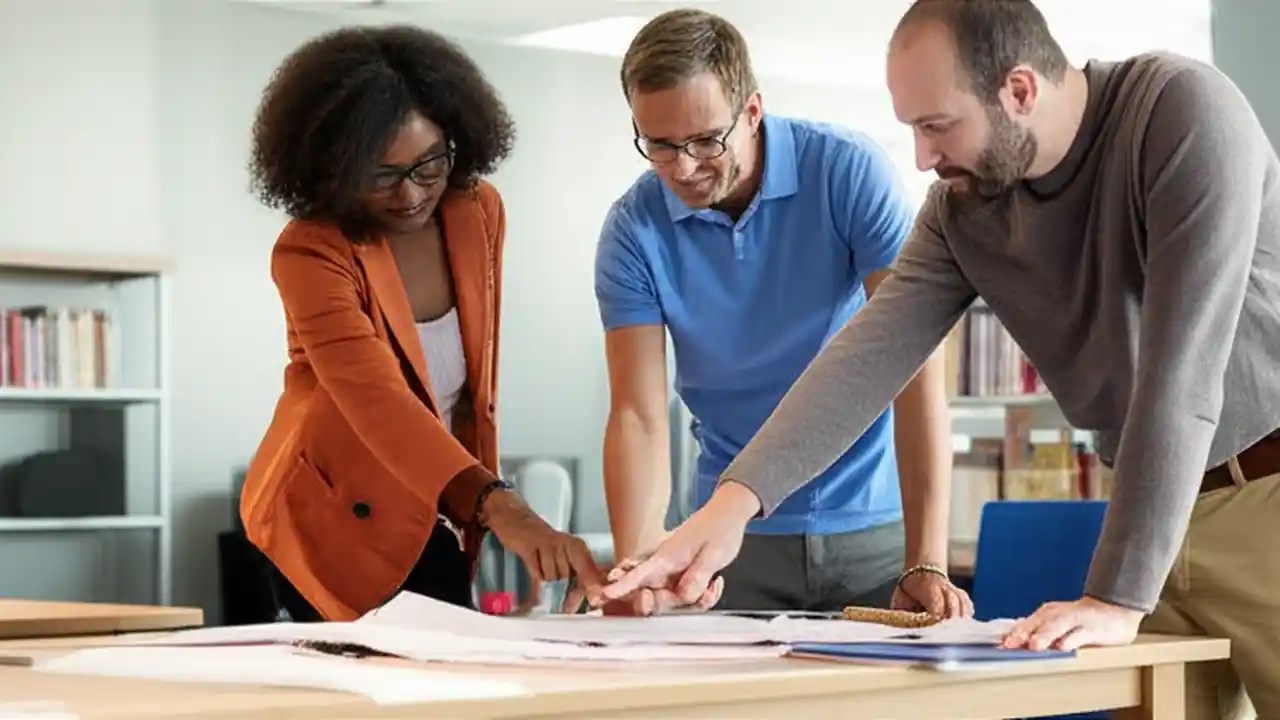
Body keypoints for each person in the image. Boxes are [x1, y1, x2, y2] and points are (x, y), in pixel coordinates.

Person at [603, 0, 1280, 714]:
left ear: (1018, 90)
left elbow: (1182, 371)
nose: (923, 158)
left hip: (1263, 499)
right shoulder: (962, 210)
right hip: (1149, 516)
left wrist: (1116, 592)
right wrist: (729, 510)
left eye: (936, 126)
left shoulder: (1181, 114)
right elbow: (864, 358)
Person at [593, 8, 971, 617]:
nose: (683, 168)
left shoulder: (847, 172)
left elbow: (915, 365)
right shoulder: (634, 229)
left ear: (752, 111)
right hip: (731, 541)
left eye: (705, 141)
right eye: (659, 146)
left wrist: (926, 558)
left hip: (874, 528)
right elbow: (638, 415)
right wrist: (641, 564)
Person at [240, 25, 603, 622]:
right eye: (382, 174)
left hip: (429, 499)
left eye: (428, 164)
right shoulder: (311, 250)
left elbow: (471, 389)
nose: (411, 193)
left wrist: (487, 506)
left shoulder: (477, 212)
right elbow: (378, 400)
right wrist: (499, 504)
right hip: (329, 512)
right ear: (337, 167)